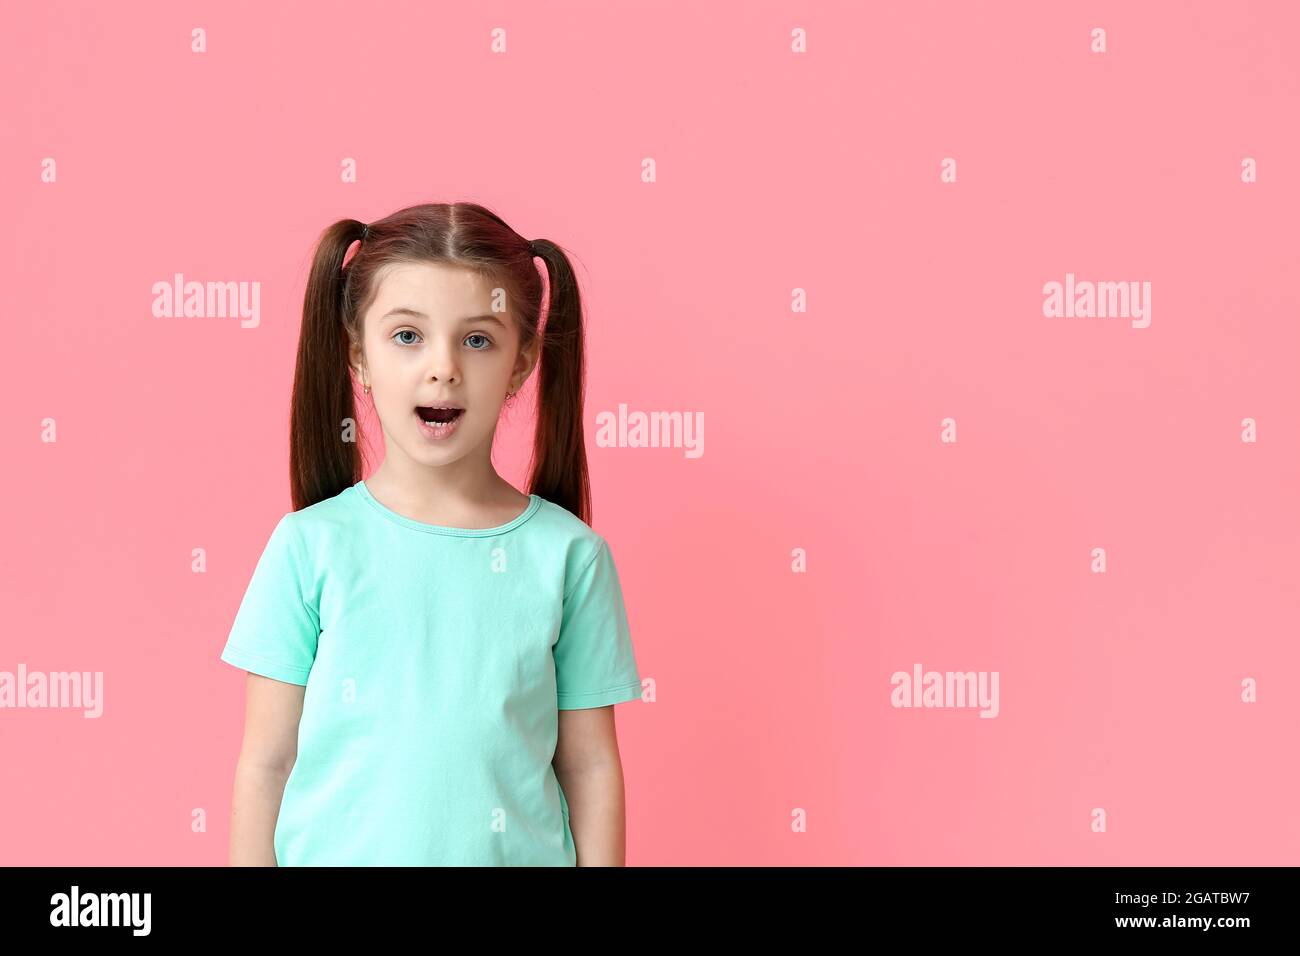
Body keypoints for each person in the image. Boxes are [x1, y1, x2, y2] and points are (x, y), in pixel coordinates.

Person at [220, 202, 643, 866]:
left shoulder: (570, 558)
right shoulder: (309, 547)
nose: (442, 367)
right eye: (407, 336)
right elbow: (267, 762)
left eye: (477, 339)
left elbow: (590, 770)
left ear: (522, 362)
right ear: (358, 355)